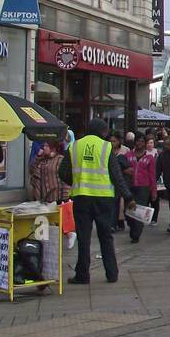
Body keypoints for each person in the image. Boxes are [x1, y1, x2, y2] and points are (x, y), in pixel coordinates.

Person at [57, 117, 134, 283]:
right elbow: (116, 176)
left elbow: (62, 171)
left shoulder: (75, 145)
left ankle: (83, 275)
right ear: (103, 132)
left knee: (83, 238)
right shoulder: (107, 147)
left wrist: (76, 180)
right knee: (106, 237)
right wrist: (128, 196)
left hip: (81, 197)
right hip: (104, 199)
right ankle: (112, 274)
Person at [126, 135, 158, 243]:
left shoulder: (149, 158)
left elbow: (152, 175)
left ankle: (136, 235)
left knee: (139, 211)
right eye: (137, 141)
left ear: (144, 143)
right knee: (128, 210)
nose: (139, 143)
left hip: (143, 187)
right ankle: (132, 226)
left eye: (141, 141)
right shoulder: (128, 155)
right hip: (130, 186)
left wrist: (153, 191)